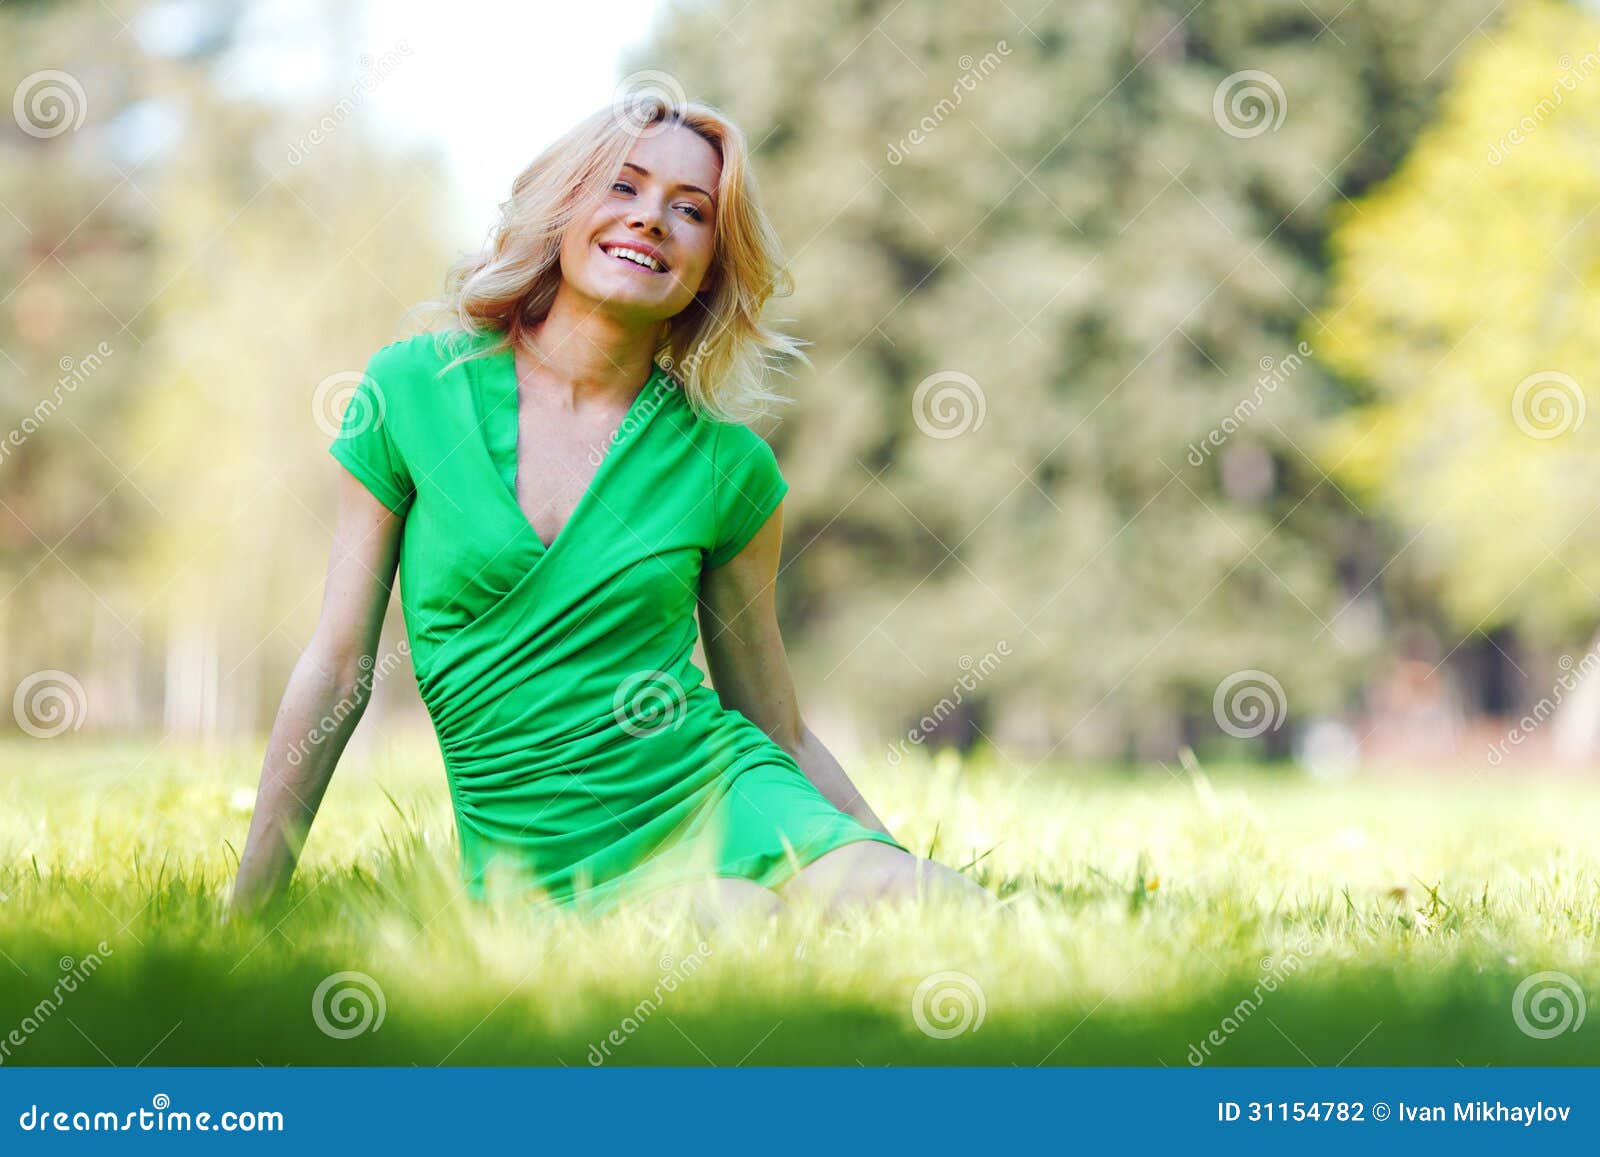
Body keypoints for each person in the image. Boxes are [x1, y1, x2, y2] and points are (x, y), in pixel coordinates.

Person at [230, 94, 994, 929]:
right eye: (623, 188)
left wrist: (889, 865)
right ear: (565, 210)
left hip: (722, 792)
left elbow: (776, 725)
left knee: (947, 913)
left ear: (712, 260)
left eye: (690, 210)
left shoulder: (727, 466)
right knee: (740, 921)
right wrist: (247, 913)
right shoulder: (411, 392)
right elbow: (339, 667)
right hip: (544, 867)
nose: (652, 219)